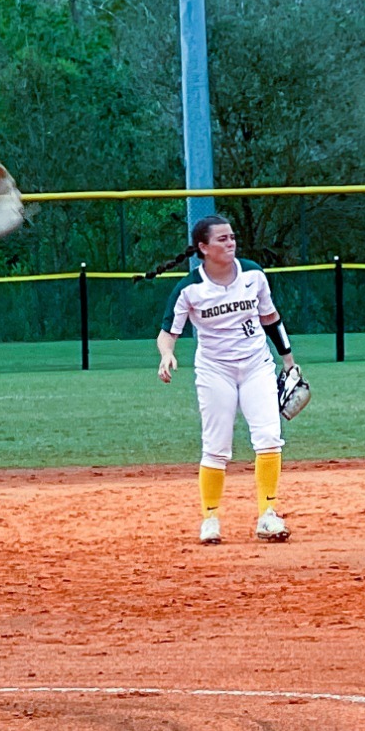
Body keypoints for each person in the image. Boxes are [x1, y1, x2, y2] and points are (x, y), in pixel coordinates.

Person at [149, 214, 298, 544]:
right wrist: (167, 354)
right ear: (203, 247)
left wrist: (288, 362)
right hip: (215, 370)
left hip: (257, 365)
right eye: (222, 239)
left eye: (232, 238)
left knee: (269, 437)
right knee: (216, 447)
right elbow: (167, 333)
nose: (230, 243)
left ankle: (268, 515)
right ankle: (210, 519)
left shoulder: (253, 274)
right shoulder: (190, 289)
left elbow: (271, 319)